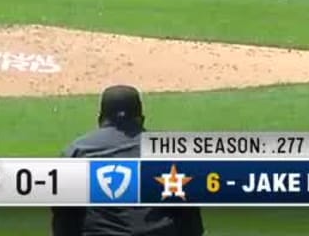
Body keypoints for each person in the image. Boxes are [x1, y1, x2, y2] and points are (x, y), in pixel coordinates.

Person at [53, 85, 205, 236]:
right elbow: (190, 220)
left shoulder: (76, 152)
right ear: (141, 119)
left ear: (100, 120)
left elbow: (63, 218)